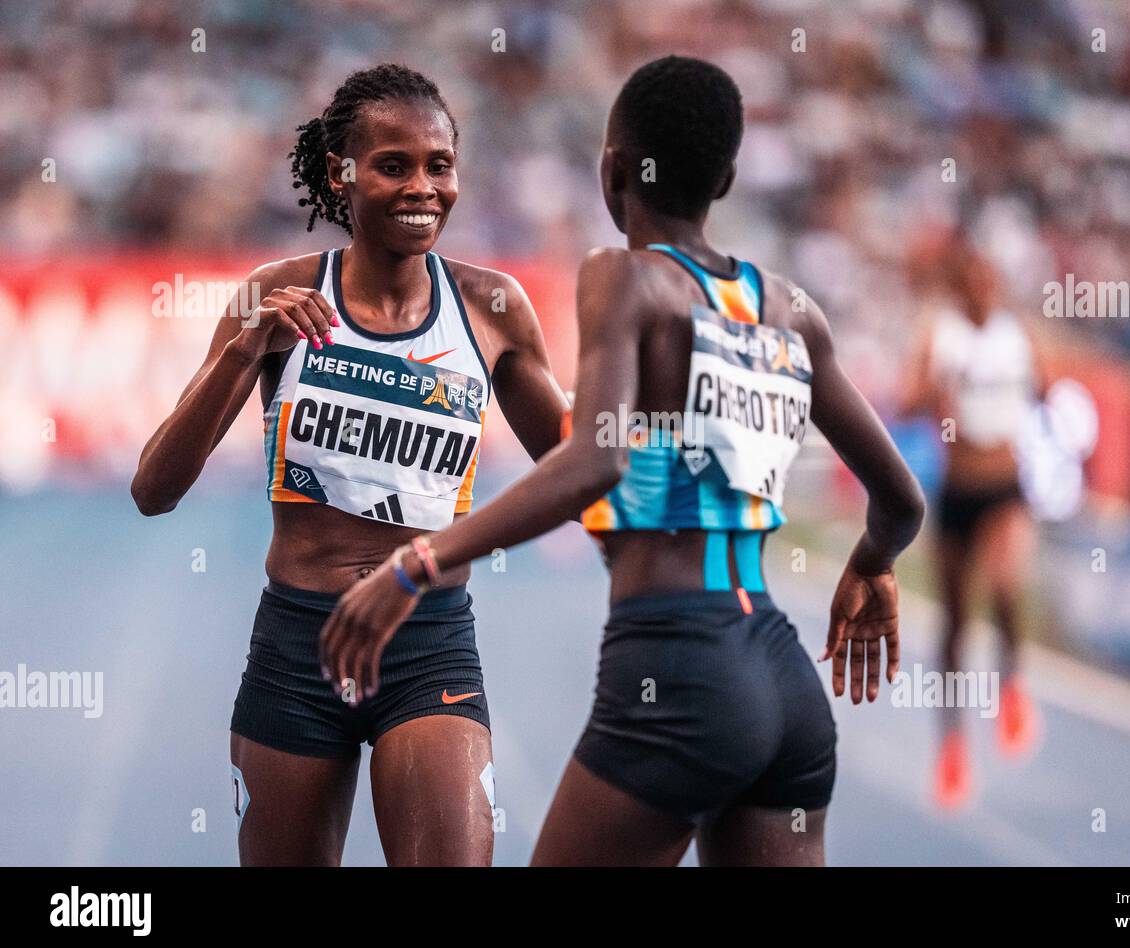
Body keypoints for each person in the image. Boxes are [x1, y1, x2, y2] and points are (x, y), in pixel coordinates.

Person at [319, 55, 925, 866]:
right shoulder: (792, 311)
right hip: (786, 685)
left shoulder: (626, 280)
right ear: (728, 178)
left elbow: (595, 462)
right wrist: (871, 565)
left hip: (680, 669)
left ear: (612, 173)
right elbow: (901, 502)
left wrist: (415, 565)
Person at [131, 64, 568, 865]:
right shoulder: (279, 293)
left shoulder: (492, 308)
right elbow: (153, 491)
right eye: (394, 165)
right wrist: (242, 353)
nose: (423, 187)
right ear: (342, 173)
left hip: (427, 638)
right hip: (299, 643)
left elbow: (581, 470)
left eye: (440, 165)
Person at [900, 237, 1048, 809]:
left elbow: (1051, 390)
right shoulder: (939, 337)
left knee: (1007, 584)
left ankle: (1012, 682)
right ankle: (953, 746)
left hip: (1005, 487)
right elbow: (907, 402)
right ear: (961, 288)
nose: (986, 292)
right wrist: (933, 395)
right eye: (975, 283)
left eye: (993, 282)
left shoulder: (1019, 337)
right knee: (955, 625)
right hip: (956, 490)